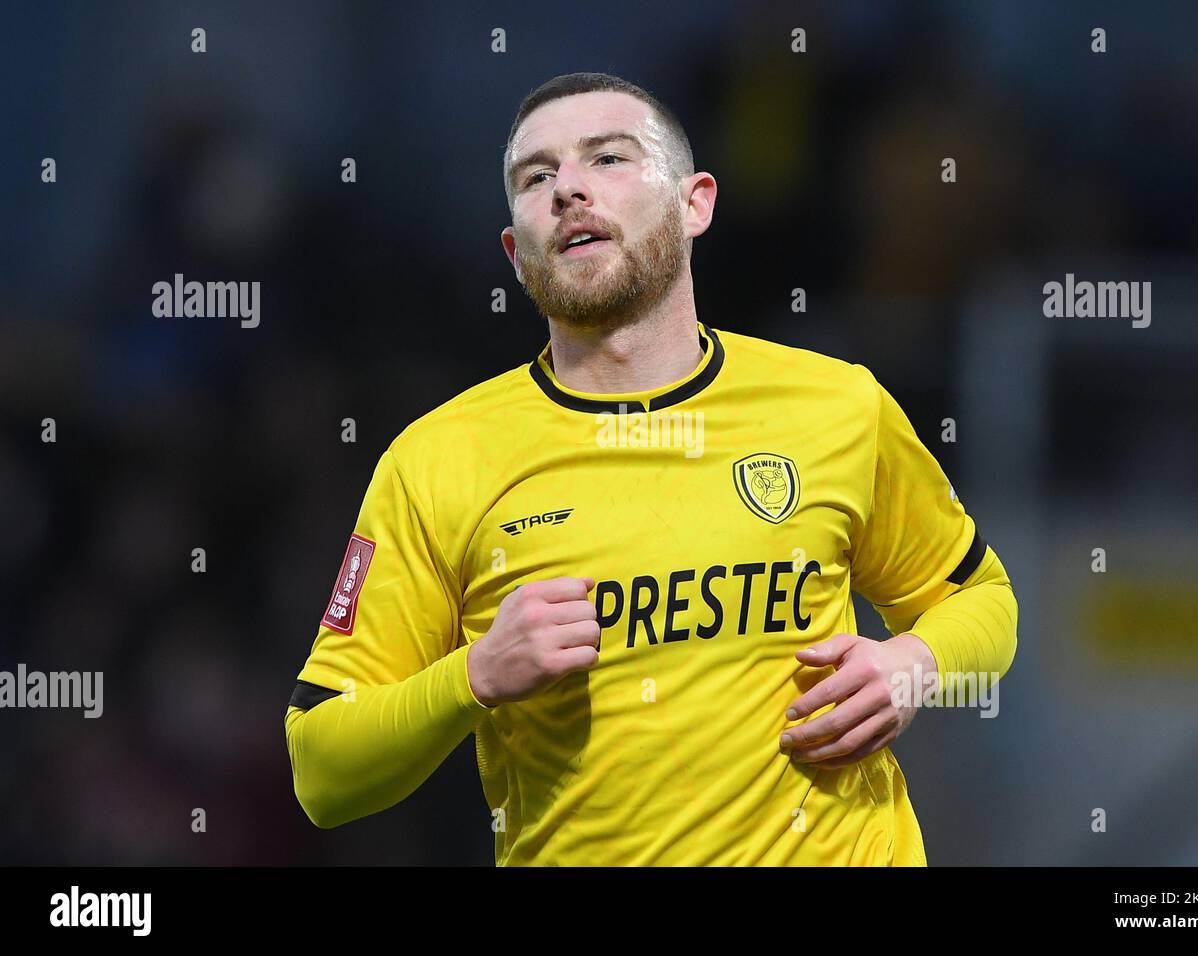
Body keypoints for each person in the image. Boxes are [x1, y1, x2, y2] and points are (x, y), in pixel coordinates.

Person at [284, 71, 1018, 865]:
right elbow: (322, 771)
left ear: (694, 203)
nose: (568, 189)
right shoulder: (437, 461)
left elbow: (981, 598)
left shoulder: (837, 406)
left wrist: (912, 664)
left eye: (607, 159)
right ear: (514, 250)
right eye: (537, 177)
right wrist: (476, 674)